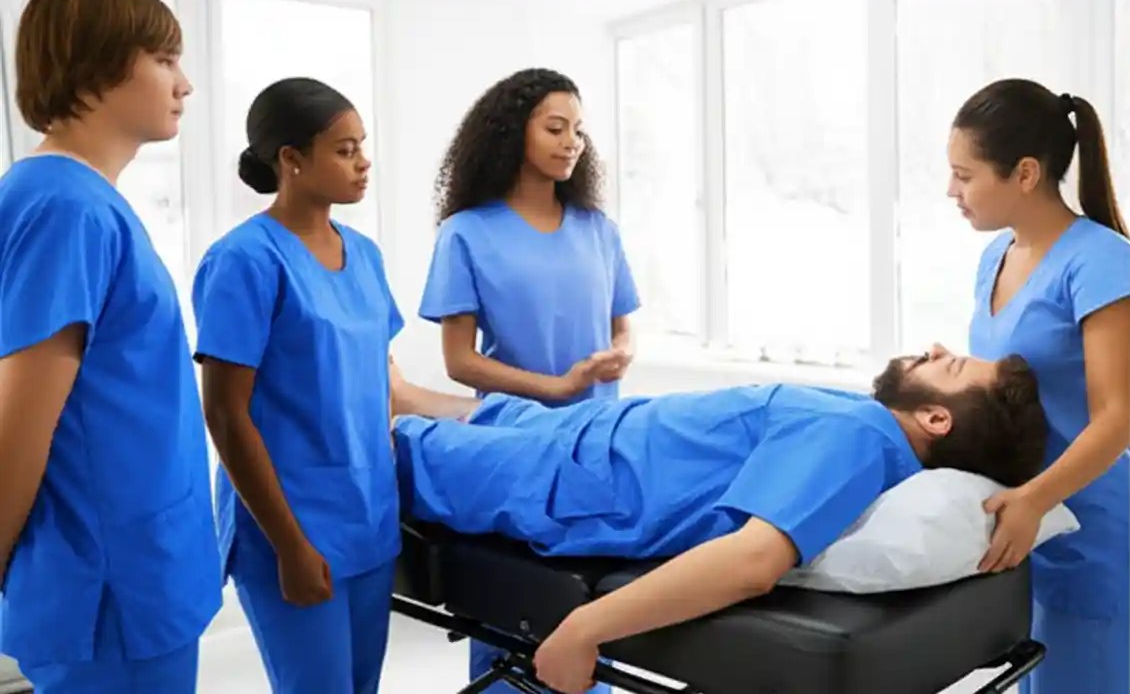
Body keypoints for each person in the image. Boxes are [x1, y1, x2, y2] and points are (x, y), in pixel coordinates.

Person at [390, 350, 1048, 694]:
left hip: (560, 480)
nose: (935, 348)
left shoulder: (854, 438)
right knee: (417, 401)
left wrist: (580, 629)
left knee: (351, 443)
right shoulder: (861, 424)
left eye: (951, 365)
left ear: (937, 419)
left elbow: (752, 562)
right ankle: (404, 396)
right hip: (571, 436)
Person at [0, 0, 222, 692]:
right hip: (106, 583)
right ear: (94, 66)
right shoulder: (61, 204)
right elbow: (19, 423)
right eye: (163, 59)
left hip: (140, 571)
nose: (183, 83)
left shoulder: (88, 201)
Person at [418, 67, 640, 691]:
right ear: (513, 132)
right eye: (555, 127)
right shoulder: (466, 233)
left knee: (594, 611)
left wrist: (617, 356)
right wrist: (556, 388)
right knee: (516, 619)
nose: (572, 141)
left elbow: (622, 327)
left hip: (597, 447)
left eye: (578, 130)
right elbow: (460, 360)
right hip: (512, 449)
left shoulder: (598, 230)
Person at [192, 78, 401, 694]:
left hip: (369, 518)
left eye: (363, 146)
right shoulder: (245, 260)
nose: (363, 162)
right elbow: (226, 415)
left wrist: (484, 413)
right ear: (291, 159)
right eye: (344, 149)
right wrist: (290, 545)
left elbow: (380, 380)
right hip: (291, 525)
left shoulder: (364, 254)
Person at [944, 78, 1130, 694]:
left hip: (1086, 526)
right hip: (1022, 528)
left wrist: (1034, 501)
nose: (953, 191)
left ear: (1025, 173)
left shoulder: (1101, 261)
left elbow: (1116, 418)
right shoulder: (993, 258)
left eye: (965, 176)